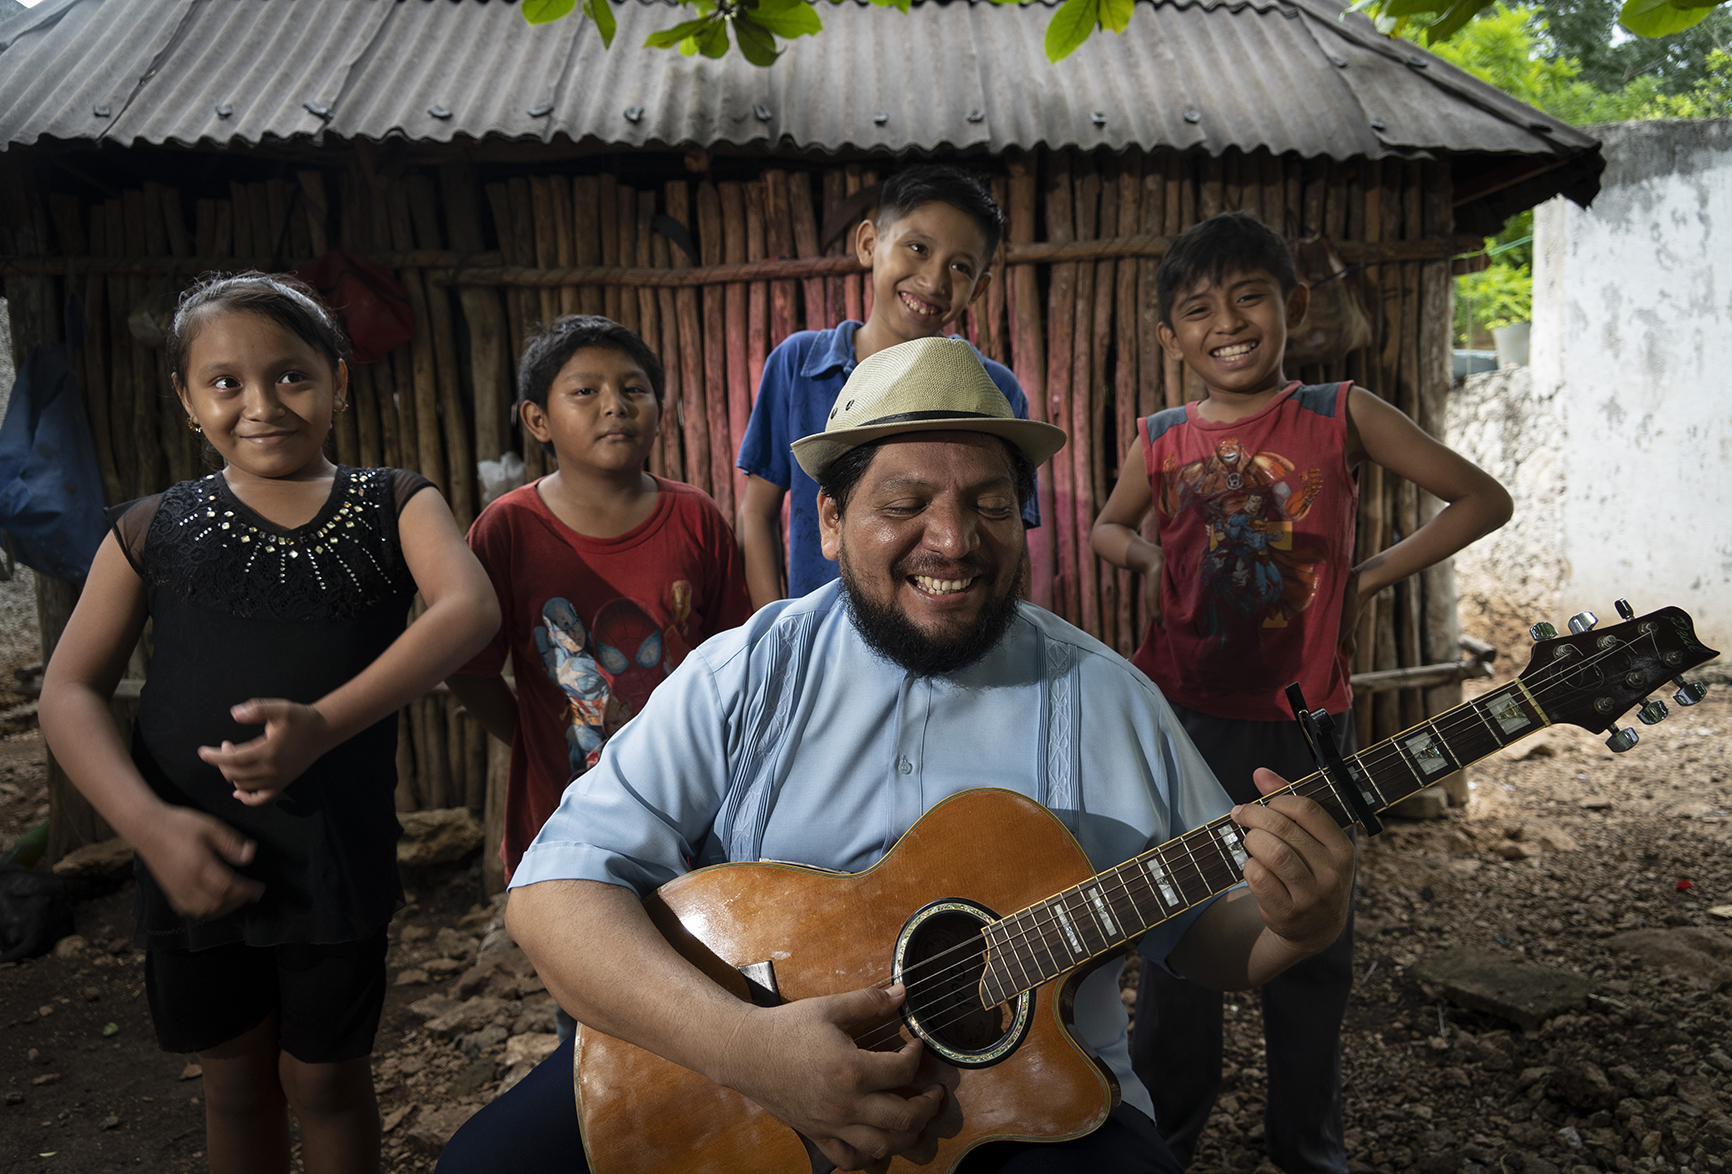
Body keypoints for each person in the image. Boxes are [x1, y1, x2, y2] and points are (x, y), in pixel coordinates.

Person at [436, 336, 1359, 1173]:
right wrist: (754, 1055)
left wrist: (1297, 923)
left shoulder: (1107, 699)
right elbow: (555, 893)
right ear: (831, 523)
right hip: (723, 1070)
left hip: (1024, 1097)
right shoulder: (745, 674)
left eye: (991, 506)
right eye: (906, 504)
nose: (954, 541)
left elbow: (1201, 939)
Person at [38, 273, 500, 1174]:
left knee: (326, 1079)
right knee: (233, 1077)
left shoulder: (394, 503)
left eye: (291, 376)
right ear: (185, 399)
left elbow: (467, 611)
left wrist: (322, 725)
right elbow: (68, 693)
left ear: (337, 377)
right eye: (225, 383)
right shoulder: (150, 529)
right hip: (193, 851)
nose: (261, 405)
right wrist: (150, 828)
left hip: (332, 849)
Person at [1090, 211, 1512, 1174]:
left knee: (1312, 944)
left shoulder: (1338, 412)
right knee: (1177, 945)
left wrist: (1367, 577)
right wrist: (1150, 554)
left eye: (1250, 297)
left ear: (1295, 306)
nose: (1227, 323)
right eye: (1199, 309)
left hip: (1308, 724)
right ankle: (1168, 1141)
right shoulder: (1159, 441)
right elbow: (1109, 530)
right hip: (1183, 721)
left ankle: (1306, 1149)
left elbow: (1483, 497)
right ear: (1171, 336)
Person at [447, 314, 748, 904]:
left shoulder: (696, 518)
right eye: (585, 391)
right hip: (565, 816)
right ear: (538, 420)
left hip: (688, 807)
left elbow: (733, 658)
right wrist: (536, 739)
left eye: (634, 389)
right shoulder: (507, 530)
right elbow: (469, 666)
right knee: (587, 973)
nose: (615, 405)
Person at [735, 164, 1040, 610]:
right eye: (918, 248)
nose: (934, 281)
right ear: (867, 244)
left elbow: (1013, 542)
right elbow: (757, 515)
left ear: (979, 289)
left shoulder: (995, 390)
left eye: (960, 266)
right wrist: (777, 637)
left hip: (948, 626)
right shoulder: (798, 365)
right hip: (824, 645)